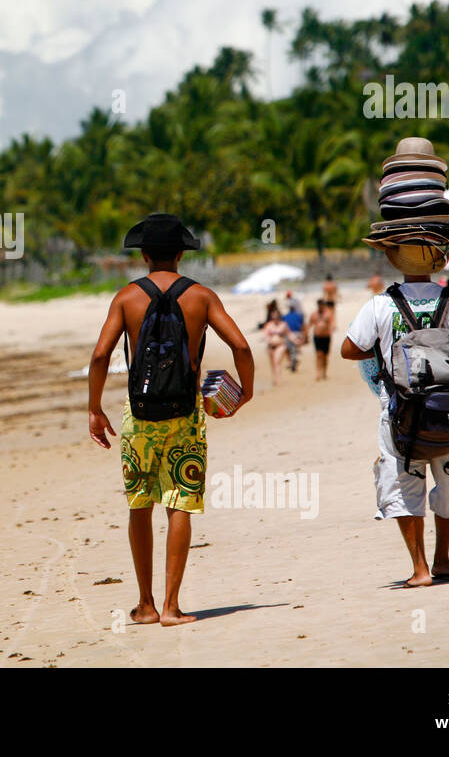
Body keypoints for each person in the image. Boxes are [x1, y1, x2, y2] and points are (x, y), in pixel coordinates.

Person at [341, 138, 449, 588]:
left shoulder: (380, 305)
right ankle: (444, 559)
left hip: (399, 413)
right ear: (442, 250)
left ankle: (420, 569)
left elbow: (349, 350)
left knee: (403, 483)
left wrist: (388, 350)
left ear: (391, 251)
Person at [87, 213, 254, 627]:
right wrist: (244, 392)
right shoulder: (201, 296)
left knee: (140, 503)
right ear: (181, 254)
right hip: (186, 415)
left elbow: (100, 355)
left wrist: (94, 408)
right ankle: (171, 607)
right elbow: (241, 346)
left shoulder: (126, 298)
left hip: (138, 415)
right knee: (180, 502)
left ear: (143, 255)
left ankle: (143, 604)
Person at [260, 307, 291, 385]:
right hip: (270, 346)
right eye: (273, 316)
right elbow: (264, 334)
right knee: (272, 363)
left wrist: (297, 341)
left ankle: (278, 380)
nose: (275, 318)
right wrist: (266, 339)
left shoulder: (283, 324)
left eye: (276, 316)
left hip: (280, 345)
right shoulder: (268, 325)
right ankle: (275, 378)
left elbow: (289, 334)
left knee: (277, 361)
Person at [309, 299, 335, 381]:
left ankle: (324, 372)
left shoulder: (328, 314)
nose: (321, 307)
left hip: (326, 337)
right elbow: (310, 324)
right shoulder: (314, 314)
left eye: (322, 305)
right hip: (317, 337)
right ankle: (318, 373)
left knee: (325, 356)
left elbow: (332, 323)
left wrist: (331, 329)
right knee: (318, 355)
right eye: (319, 305)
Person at [281, 295, 305, 372]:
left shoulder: (285, 316)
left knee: (290, 349)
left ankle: (292, 362)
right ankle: (293, 361)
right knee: (294, 350)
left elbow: (284, 327)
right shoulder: (299, 316)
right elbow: (302, 326)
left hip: (289, 335)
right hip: (297, 334)